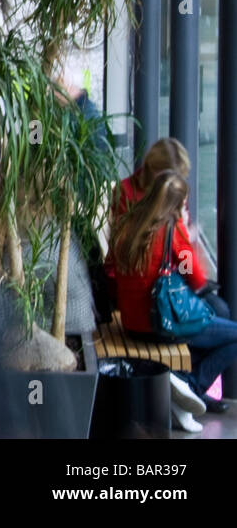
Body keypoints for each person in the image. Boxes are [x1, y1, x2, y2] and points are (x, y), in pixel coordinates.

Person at [107, 170, 237, 430]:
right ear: (176, 204)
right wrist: (189, 237)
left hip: (131, 322)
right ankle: (191, 386)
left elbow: (112, 266)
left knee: (211, 324)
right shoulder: (172, 230)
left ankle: (184, 384)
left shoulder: (127, 222)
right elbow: (194, 278)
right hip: (160, 325)